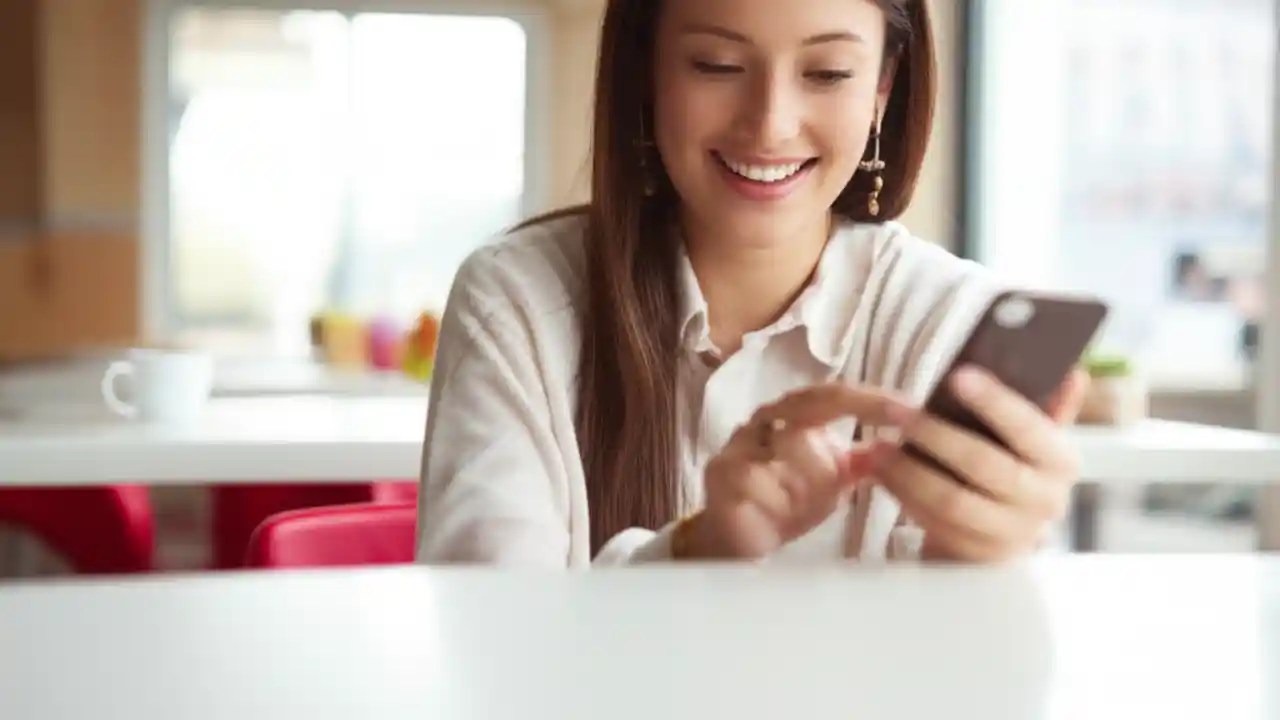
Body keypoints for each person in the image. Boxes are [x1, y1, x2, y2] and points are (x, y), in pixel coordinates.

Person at [416, 0, 1088, 567]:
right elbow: (486, 643)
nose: (769, 124)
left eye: (827, 73)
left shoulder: (948, 322)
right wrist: (698, 549)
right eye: (718, 65)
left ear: (882, 90)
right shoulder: (518, 301)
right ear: (647, 73)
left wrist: (981, 556)